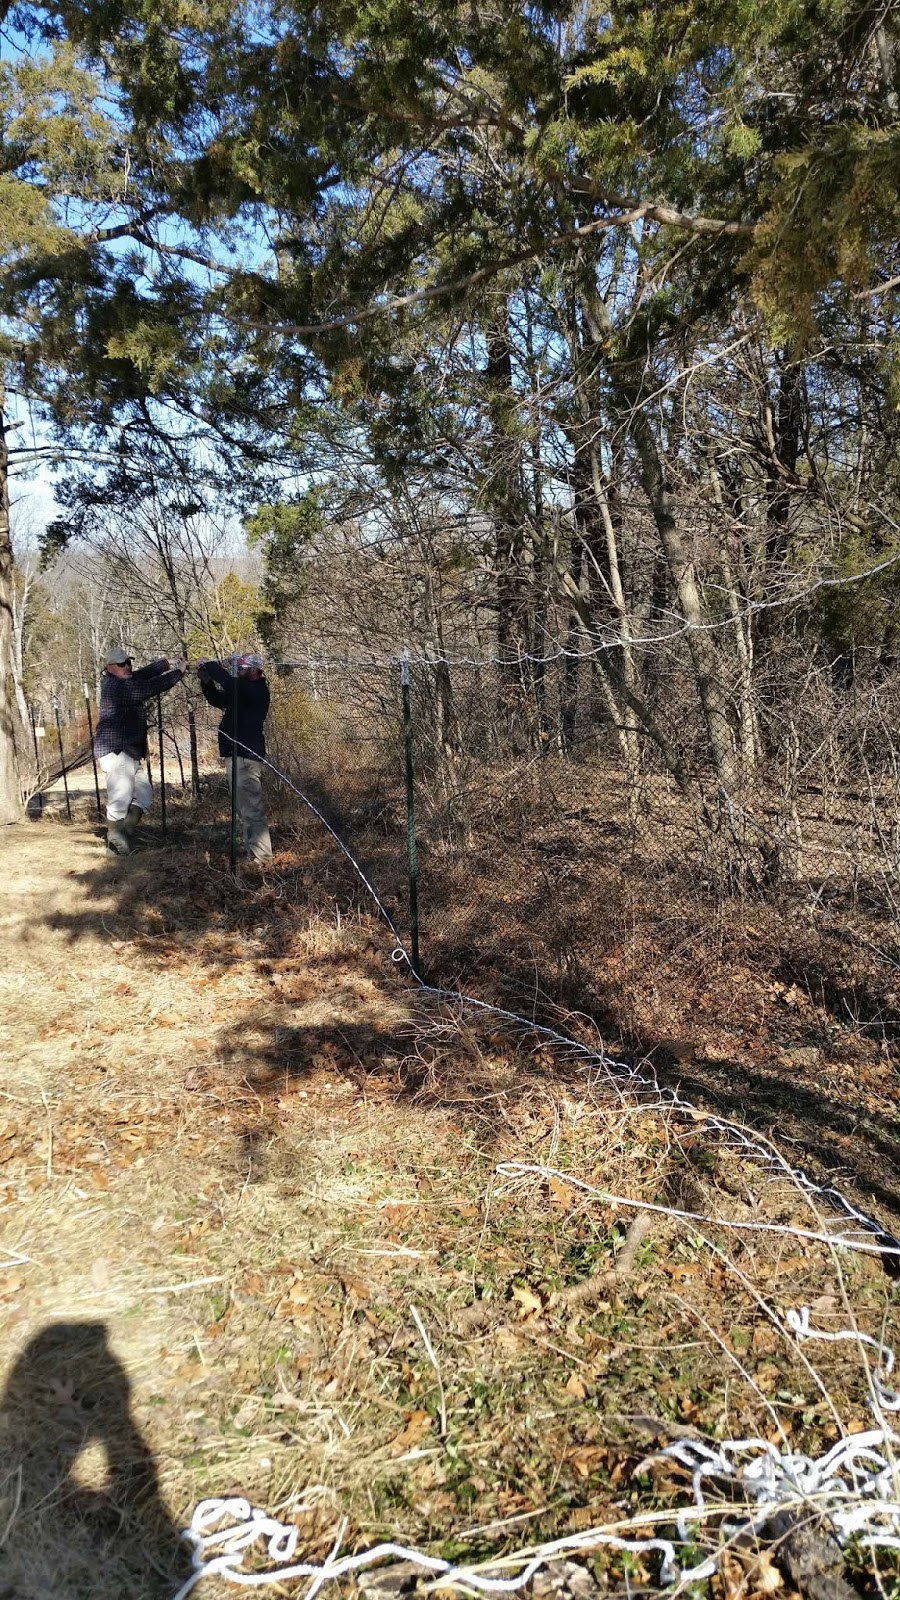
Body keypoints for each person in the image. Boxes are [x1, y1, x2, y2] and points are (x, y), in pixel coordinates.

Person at [94, 647, 186, 855]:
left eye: (128, 662)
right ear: (109, 667)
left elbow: (142, 675)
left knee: (143, 794)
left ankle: (123, 834)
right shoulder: (116, 687)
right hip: (117, 750)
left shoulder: (124, 679)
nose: (127, 666)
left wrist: (167, 662)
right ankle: (116, 845)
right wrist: (178, 672)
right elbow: (148, 687)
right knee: (120, 797)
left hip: (130, 751)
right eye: (121, 664)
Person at [197, 651, 273, 862]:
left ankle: (262, 859)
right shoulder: (241, 690)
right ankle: (256, 855)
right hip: (236, 755)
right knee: (244, 809)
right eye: (236, 668)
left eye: (241, 668)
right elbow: (216, 699)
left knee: (251, 809)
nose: (237, 672)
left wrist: (210, 664)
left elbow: (230, 684)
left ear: (254, 669)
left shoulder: (256, 690)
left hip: (247, 756)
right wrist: (206, 680)